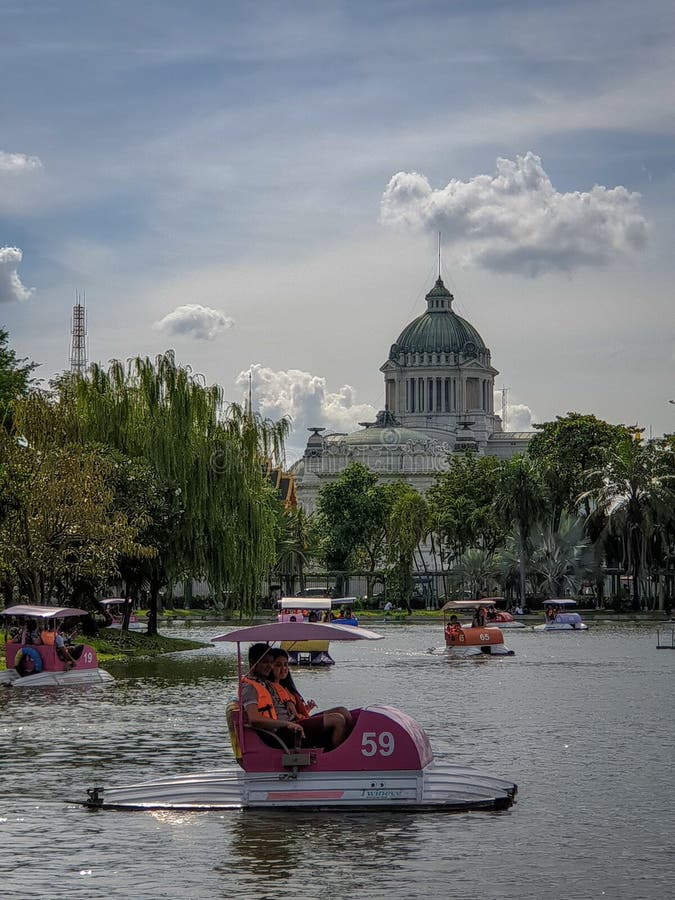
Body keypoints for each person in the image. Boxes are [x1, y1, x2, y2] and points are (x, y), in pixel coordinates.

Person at [240, 644, 347, 751]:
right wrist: (287, 724)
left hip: (290, 725)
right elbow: (254, 719)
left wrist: (290, 703)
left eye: (271, 662)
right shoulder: (249, 687)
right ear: (252, 662)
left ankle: (344, 751)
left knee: (342, 711)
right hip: (281, 734)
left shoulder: (264, 683)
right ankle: (335, 759)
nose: (270, 666)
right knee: (337, 720)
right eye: (265, 662)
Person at [268, 648, 354, 734]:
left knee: (342, 711)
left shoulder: (285, 687)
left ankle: (350, 738)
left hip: (303, 718)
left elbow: (295, 710)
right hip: (295, 724)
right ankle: (341, 746)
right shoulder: (270, 688)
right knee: (337, 719)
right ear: (270, 667)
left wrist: (306, 709)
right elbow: (286, 714)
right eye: (278, 665)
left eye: (286, 664)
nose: (284, 668)